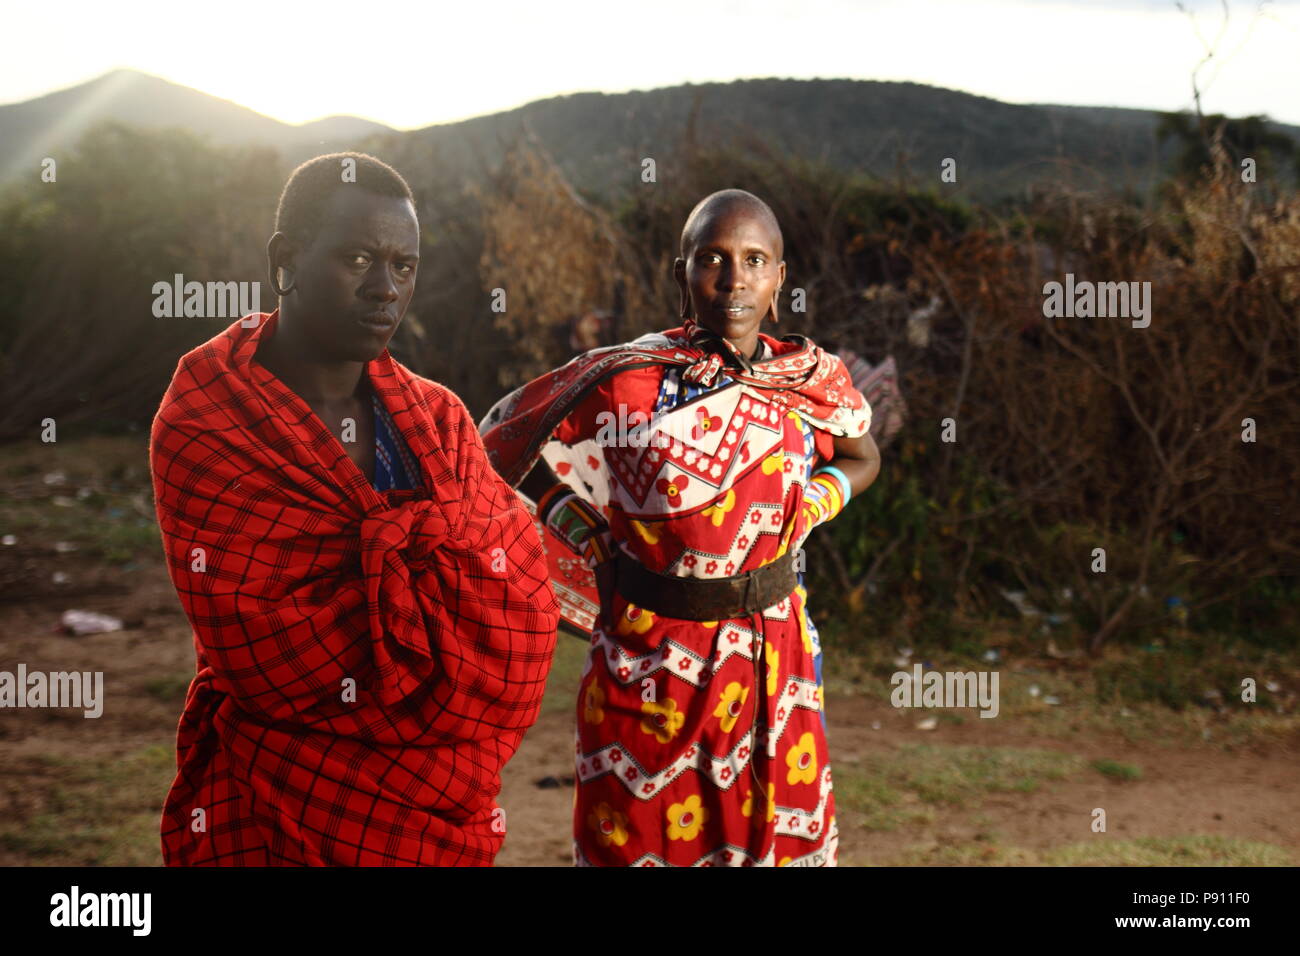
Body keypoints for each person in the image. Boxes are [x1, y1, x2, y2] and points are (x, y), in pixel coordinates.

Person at [149, 152, 560, 865]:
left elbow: (518, 612)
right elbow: (266, 649)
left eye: (404, 265)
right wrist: (425, 621)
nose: (385, 289)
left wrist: (398, 609)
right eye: (359, 258)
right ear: (287, 258)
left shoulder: (438, 420)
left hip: (437, 816)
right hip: (279, 805)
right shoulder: (209, 420)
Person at [479, 189, 880, 866]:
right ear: (681, 274)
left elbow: (862, 453)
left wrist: (809, 508)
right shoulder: (623, 379)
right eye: (712, 259)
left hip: (774, 662)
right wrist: (588, 536)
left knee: (772, 847)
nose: (734, 278)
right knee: (636, 845)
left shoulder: (808, 380)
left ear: (780, 279)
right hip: (647, 661)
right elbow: (498, 441)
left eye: (755, 260)